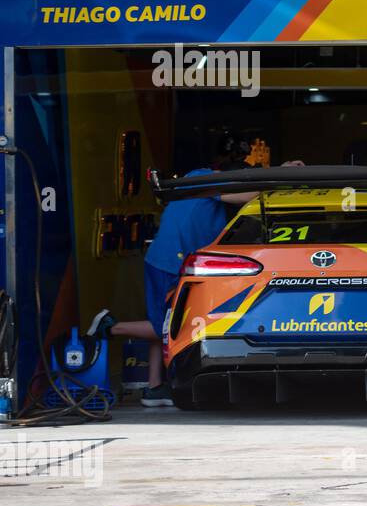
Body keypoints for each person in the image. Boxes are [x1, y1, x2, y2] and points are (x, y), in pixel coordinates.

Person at [87, 135, 303, 408]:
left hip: (166, 259)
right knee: (166, 325)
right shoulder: (206, 180)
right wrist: (283, 175)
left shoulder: (198, 182)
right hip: (169, 261)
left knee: (163, 320)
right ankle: (111, 326)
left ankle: (155, 388)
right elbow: (248, 195)